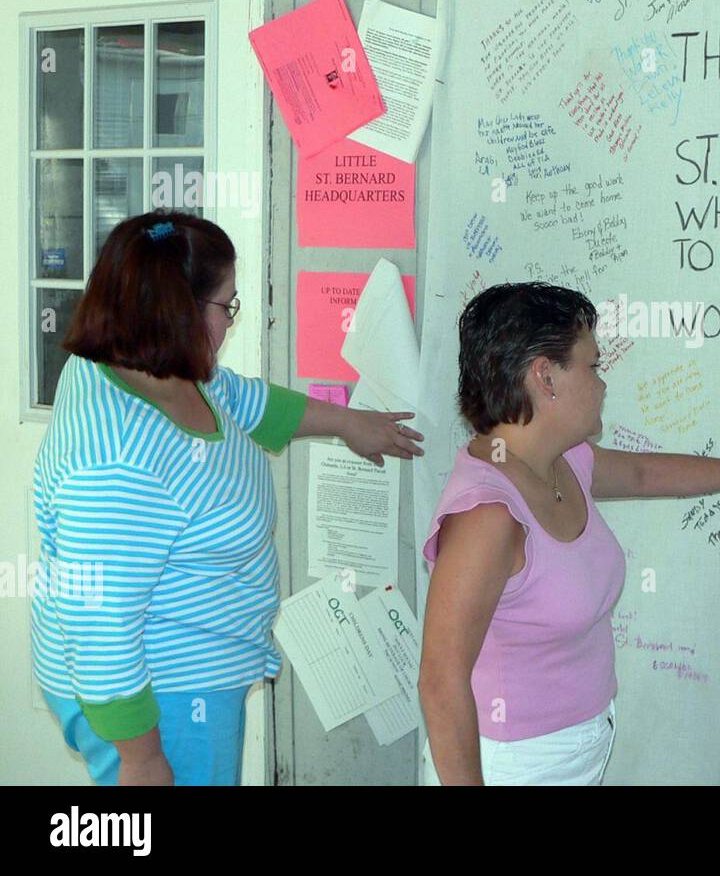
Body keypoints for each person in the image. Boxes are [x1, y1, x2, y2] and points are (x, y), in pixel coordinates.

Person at [31, 209, 425, 786]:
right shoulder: (116, 463)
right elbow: (100, 627)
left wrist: (346, 422)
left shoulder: (154, 366)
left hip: (194, 673)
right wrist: (142, 761)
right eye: (226, 306)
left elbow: (243, 401)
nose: (231, 320)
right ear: (178, 312)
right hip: (159, 695)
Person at [417, 282, 720, 785]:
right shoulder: (487, 516)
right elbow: (440, 682)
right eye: (592, 366)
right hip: (515, 764)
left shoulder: (559, 462)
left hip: (580, 744)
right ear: (544, 376)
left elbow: (647, 474)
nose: (602, 384)